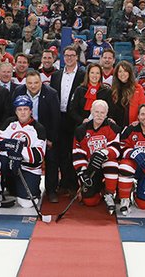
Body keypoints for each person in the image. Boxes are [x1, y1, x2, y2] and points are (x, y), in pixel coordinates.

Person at [0, 96, 48, 210]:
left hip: (29, 168)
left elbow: (37, 156)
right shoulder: (9, 122)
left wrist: (18, 152)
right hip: (9, 162)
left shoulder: (39, 128)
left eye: (25, 109)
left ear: (30, 110)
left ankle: (22, 189)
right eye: (19, 109)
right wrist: (16, 149)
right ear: (15, 111)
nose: (22, 112)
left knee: (26, 204)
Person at [12, 70, 61, 201]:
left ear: (41, 82)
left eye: (36, 83)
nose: (33, 86)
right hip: (25, 130)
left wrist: (50, 139)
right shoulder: (19, 91)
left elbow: (55, 119)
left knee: (51, 159)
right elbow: (13, 114)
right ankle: (14, 187)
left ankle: (51, 191)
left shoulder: (51, 94)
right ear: (25, 83)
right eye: (30, 83)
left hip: (44, 130)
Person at [72, 99, 122, 212]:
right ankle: (101, 190)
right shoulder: (81, 130)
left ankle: (110, 193)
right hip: (92, 168)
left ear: (106, 114)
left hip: (107, 164)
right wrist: (83, 172)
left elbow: (117, 148)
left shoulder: (113, 128)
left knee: (112, 163)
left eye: (102, 113)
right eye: (97, 112)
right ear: (91, 112)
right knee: (89, 201)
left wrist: (103, 154)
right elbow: (77, 153)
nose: (99, 115)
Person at [51, 44, 86, 194]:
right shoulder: (56, 75)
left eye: (72, 55)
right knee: (61, 152)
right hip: (59, 118)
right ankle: (64, 182)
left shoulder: (83, 74)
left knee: (74, 151)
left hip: (75, 118)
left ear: (77, 57)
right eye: (67, 55)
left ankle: (74, 183)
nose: (69, 58)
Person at [106, 60, 145, 127]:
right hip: (114, 127)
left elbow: (143, 108)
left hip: (132, 127)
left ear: (129, 73)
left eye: (125, 71)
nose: (122, 74)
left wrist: (138, 121)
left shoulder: (138, 89)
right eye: (120, 71)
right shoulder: (112, 90)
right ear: (116, 74)